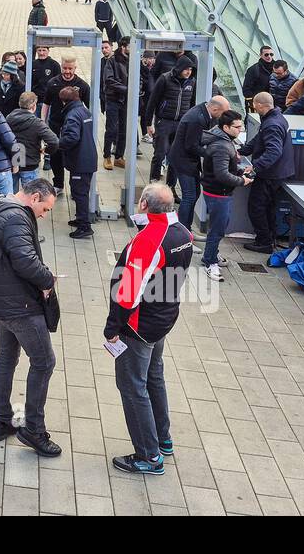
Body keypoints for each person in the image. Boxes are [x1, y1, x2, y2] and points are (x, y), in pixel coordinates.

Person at [105, 183, 193, 475]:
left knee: (132, 387)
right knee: (154, 377)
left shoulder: (148, 240)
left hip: (139, 326)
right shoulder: (182, 232)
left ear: (144, 204)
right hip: (163, 320)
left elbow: (128, 292)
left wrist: (112, 327)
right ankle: (163, 439)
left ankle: (148, 456)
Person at [0, 177, 59, 456]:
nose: (44, 215)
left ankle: (2, 420)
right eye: (46, 209)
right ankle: (34, 430)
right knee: (44, 362)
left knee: (7, 357)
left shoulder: (1, 207)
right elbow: (24, 260)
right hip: (20, 305)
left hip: (1, 300)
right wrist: (48, 279)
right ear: (35, 197)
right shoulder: (16, 217)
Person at [198, 110, 252, 281]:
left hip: (218, 191)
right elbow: (221, 174)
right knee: (218, 229)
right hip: (218, 193)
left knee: (219, 227)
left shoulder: (224, 140)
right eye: (237, 127)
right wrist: (241, 180)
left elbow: (226, 167)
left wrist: (240, 170)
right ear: (226, 127)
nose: (240, 129)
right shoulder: (221, 146)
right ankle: (209, 261)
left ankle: (212, 253)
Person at [243, 91, 296, 252]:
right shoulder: (276, 118)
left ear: (260, 105)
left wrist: (255, 166)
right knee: (268, 206)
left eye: (254, 105)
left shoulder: (272, 124)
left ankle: (264, 242)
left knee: (257, 207)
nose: (253, 108)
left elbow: (273, 151)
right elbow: (259, 139)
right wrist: (243, 150)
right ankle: (270, 238)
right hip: (278, 172)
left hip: (270, 174)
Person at [168, 95, 230, 230]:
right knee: (190, 196)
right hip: (183, 161)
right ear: (214, 109)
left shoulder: (203, 111)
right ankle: (183, 230)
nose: (223, 116)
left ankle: (186, 228)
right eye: (223, 113)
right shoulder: (197, 119)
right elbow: (191, 146)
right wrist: (212, 154)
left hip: (187, 160)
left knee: (194, 194)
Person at [40, 53, 90, 192]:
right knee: (56, 155)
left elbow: (89, 107)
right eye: (65, 68)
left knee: (75, 155)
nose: (67, 72)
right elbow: (46, 103)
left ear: (75, 68)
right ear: (61, 67)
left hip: (74, 126)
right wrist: (43, 121)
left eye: (70, 69)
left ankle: (75, 187)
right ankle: (58, 184)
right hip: (55, 124)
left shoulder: (82, 86)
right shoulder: (53, 83)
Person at [143, 55, 196, 184]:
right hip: (164, 122)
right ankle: (153, 184)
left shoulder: (191, 82)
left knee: (175, 157)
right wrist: (148, 123)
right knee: (160, 154)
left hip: (181, 124)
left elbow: (192, 104)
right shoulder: (165, 79)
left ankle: (170, 187)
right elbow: (152, 101)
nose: (188, 72)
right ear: (179, 68)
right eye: (186, 69)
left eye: (190, 69)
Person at [56, 85, 98, 238]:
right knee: (80, 191)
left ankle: (84, 226)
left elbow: (72, 137)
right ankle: (81, 219)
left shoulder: (72, 115)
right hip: (87, 158)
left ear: (64, 102)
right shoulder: (84, 110)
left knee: (79, 193)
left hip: (80, 161)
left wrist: (58, 144)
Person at [7, 91, 58, 186]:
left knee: (11, 197)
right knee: (30, 197)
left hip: (13, 160)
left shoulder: (9, 118)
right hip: (30, 163)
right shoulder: (37, 123)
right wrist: (46, 150)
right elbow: (54, 141)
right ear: (34, 106)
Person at [100, 36, 129, 169]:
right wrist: (126, 89)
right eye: (130, 46)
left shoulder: (132, 60)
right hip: (113, 99)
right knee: (111, 129)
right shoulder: (112, 61)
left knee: (123, 129)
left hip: (126, 100)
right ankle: (107, 156)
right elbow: (109, 81)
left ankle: (119, 156)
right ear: (123, 47)